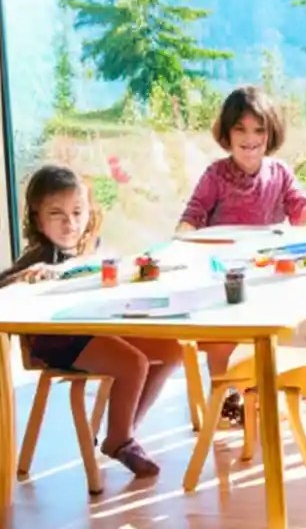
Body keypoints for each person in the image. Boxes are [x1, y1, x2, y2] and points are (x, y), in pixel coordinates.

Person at [176, 85, 306, 425]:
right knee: (223, 338)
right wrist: (181, 243)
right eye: (240, 128)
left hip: (263, 270)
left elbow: (299, 214)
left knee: (261, 333)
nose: (249, 138)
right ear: (226, 133)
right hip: (223, 272)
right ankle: (222, 396)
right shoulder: (216, 175)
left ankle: (253, 388)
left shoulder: (279, 173)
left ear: (271, 134)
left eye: (258, 129)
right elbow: (192, 215)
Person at [0, 165, 182, 478]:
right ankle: (121, 439)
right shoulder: (40, 255)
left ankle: (121, 431)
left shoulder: (88, 248)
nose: (69, 223)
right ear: (37, 216)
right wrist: (26, 278)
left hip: (93, 330)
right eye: (57, 213)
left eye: (77, 212)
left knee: (172, 350)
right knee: (134, 364)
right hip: (56, 342)